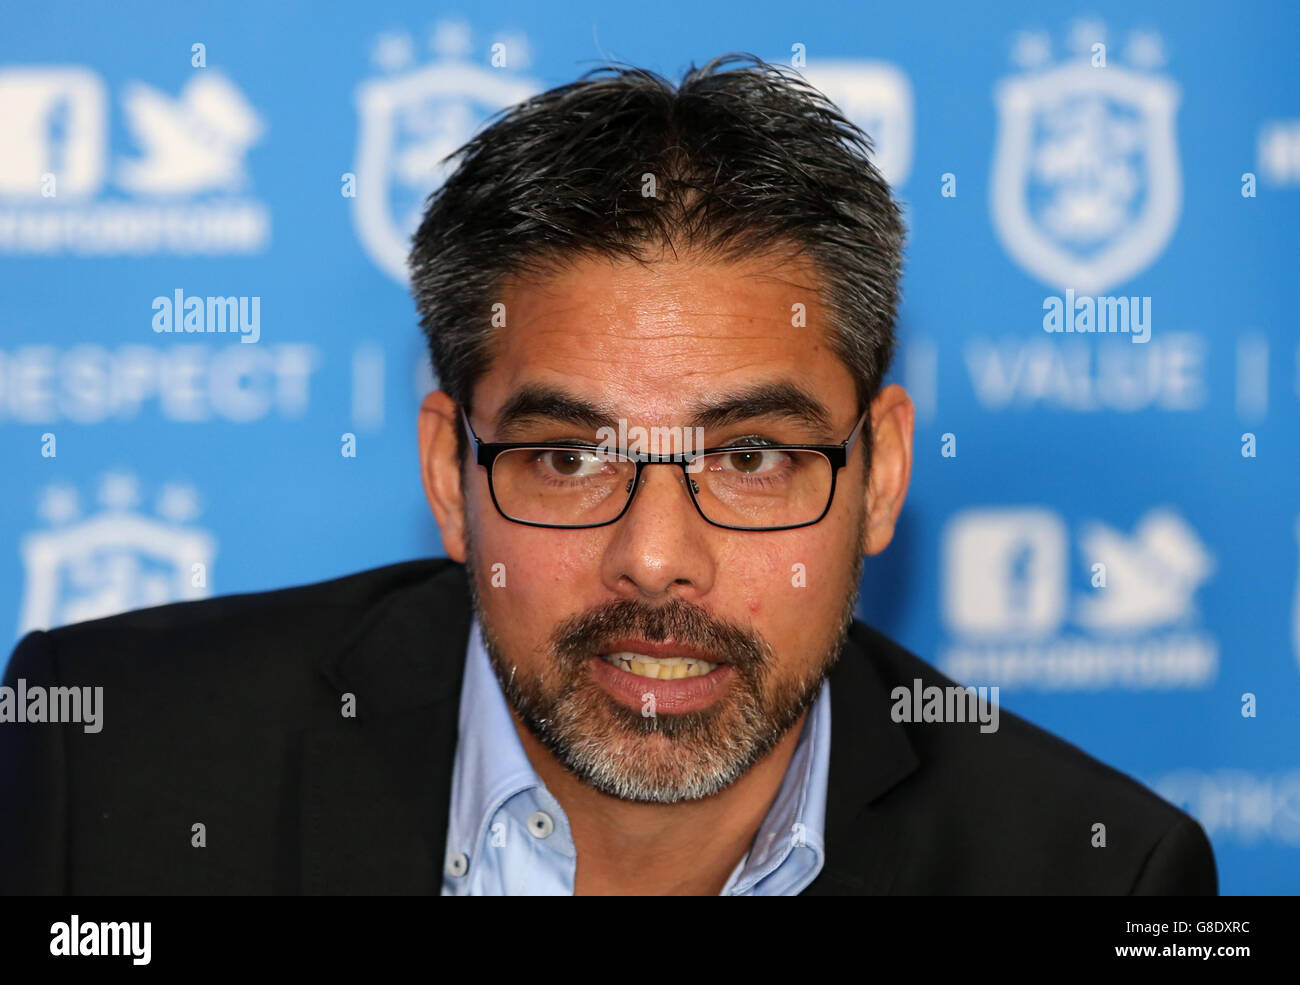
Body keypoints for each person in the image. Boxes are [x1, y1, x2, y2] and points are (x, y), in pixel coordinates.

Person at [0, 54, 1216, 895]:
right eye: (569, 456)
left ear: (881, 472)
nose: (654, 556)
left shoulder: (1094, 873)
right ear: (449, 471)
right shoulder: (110, 761)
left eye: (748, 456)